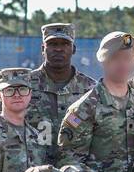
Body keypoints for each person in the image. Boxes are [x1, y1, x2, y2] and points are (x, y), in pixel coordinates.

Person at [59, 32, 134, 172]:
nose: (122, 64)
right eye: (115, 58)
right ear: (103, 61)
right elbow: (70, 163)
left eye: (127, 58)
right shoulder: (85, 108)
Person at [28, 22, 97, 164]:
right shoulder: (24, 86)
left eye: (65, 44)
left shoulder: (90, 89)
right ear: (43, 49)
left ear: (74, 49)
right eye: (52, 44)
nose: (58, 49)